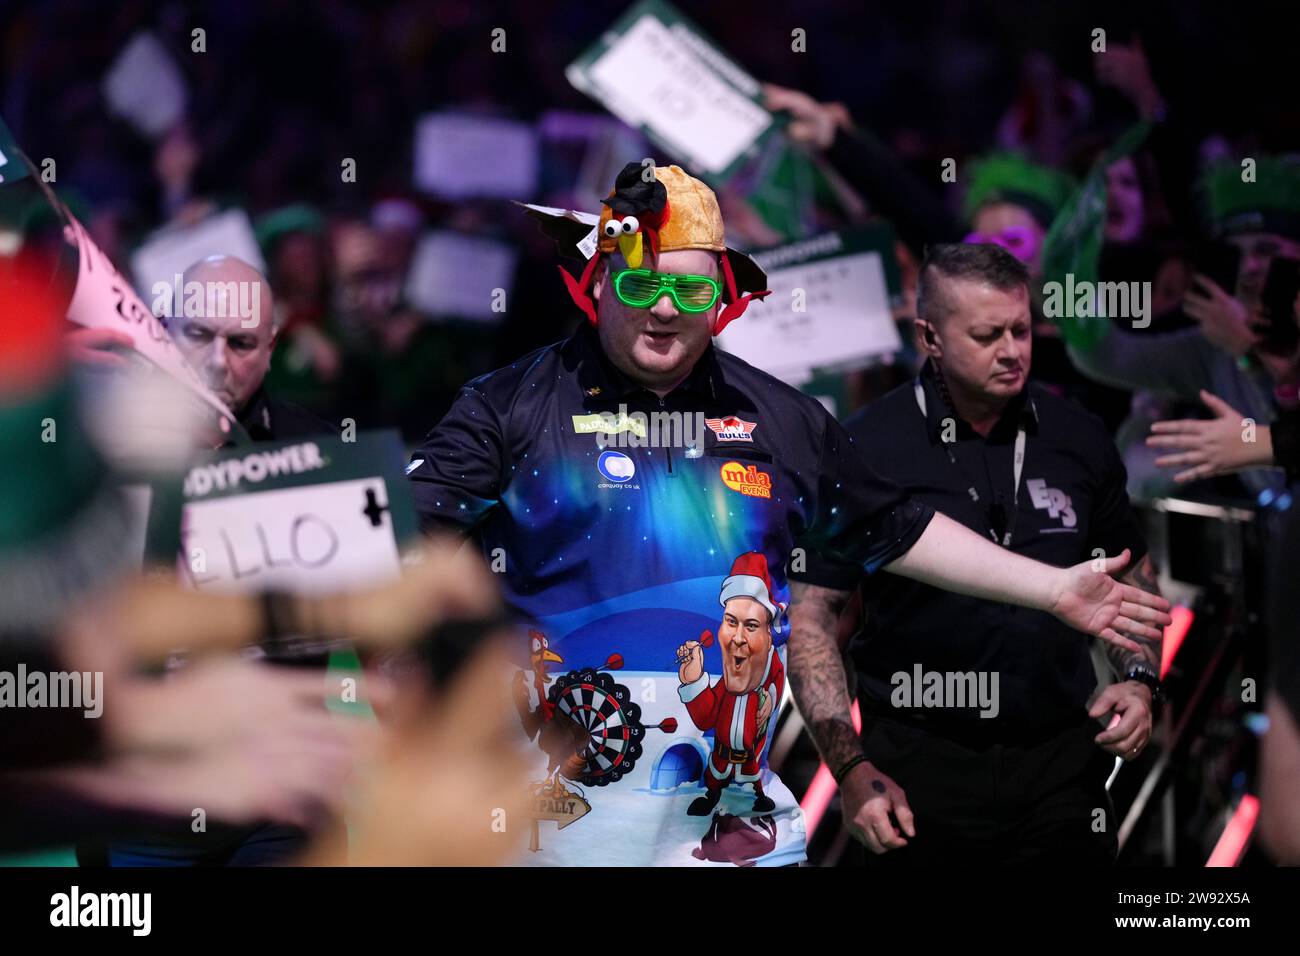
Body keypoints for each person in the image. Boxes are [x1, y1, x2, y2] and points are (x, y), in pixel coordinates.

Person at [406, 162, 1168, 867]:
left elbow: (898, 530)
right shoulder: (506, 408)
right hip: (546, 836)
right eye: (640, 288)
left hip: (731, 840)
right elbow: (398, 555)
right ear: (596, 284)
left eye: (692, 292)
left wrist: (1054, 589)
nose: (666, 309)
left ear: (726, 302)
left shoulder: (782, 421)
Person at [792, 244, 1163, 865]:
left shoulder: (1078, 436)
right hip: (914, 770)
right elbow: (812, 619)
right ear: (929, 337)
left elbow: (1131, 580)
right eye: (988, 335)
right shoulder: (865, 447)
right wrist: (850, 767)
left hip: (1059, 766)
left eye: (1021, 329)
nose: (1013, 350)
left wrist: (1140, 681)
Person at [168, 254, 334, 442]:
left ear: (269, 350)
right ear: (166, 334)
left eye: (240, 344)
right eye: (199, 336)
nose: (218, 361)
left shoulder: (318, 446)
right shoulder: (129, 447)